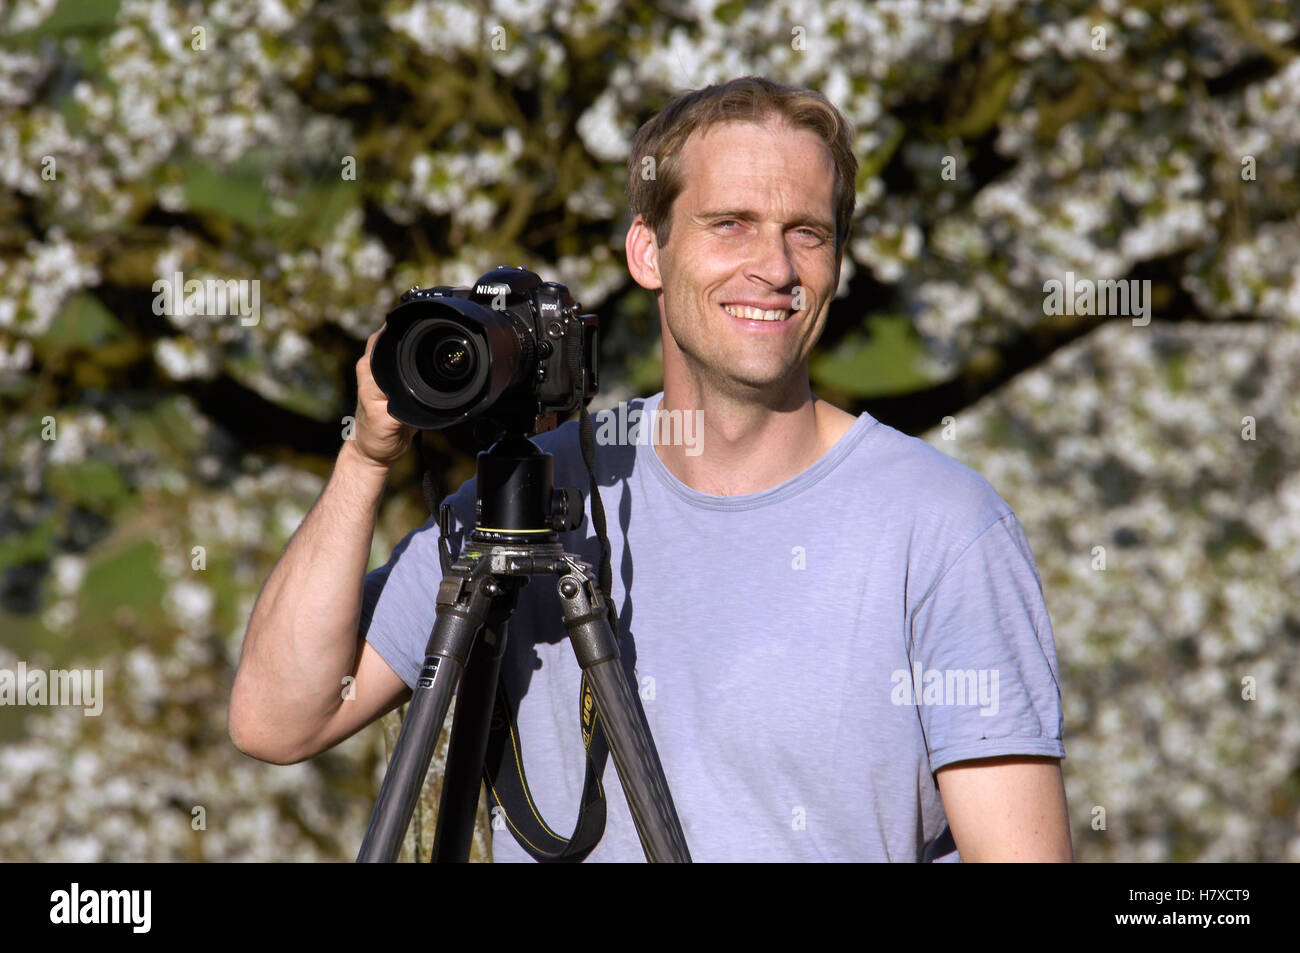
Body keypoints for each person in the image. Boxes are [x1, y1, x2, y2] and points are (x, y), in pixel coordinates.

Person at [229, 76, 1072, 862]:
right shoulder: (531, 499)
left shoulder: (943, 526)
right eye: (729, 223)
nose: (774, 269)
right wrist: (365, 456)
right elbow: (276, 719)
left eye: (806, 233)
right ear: (647, 252)